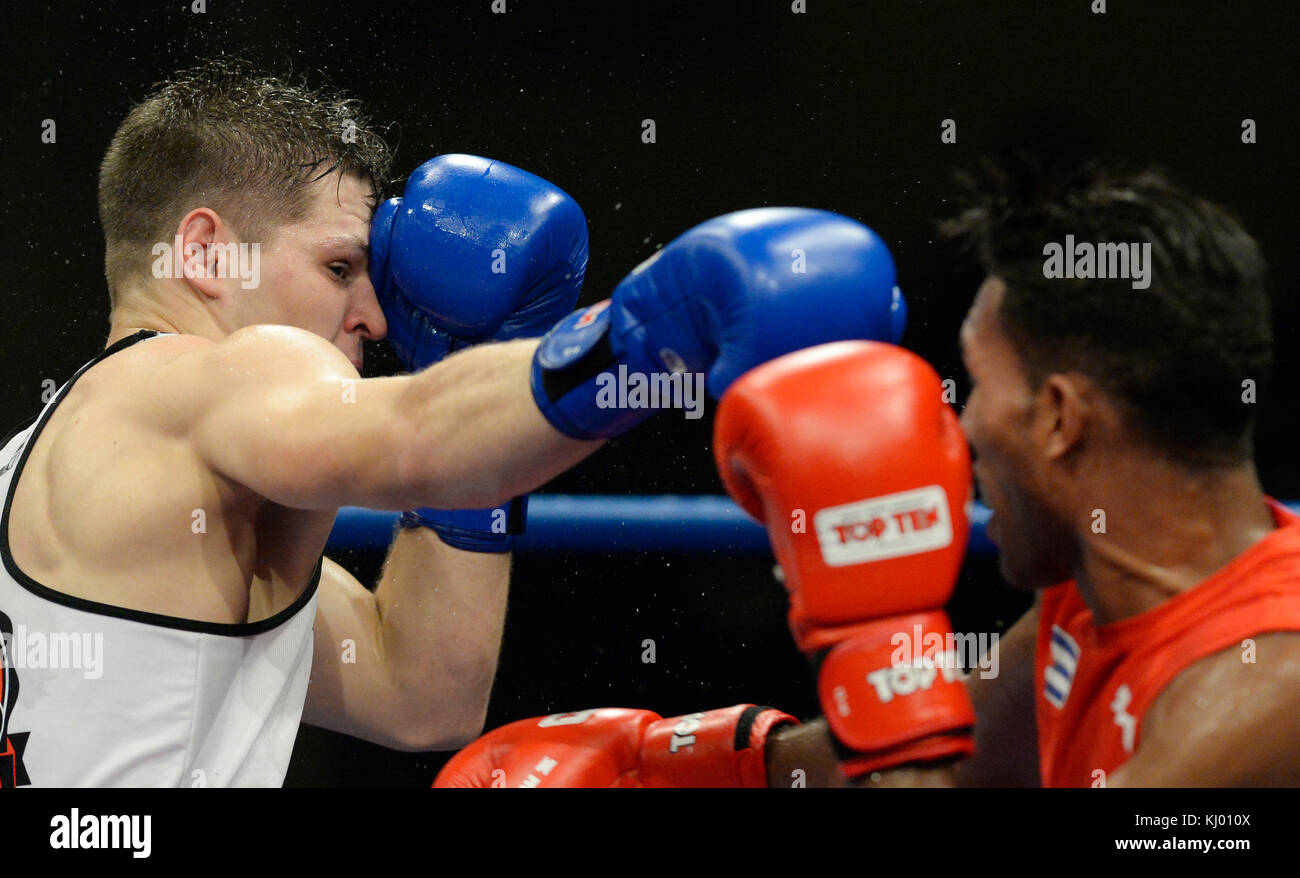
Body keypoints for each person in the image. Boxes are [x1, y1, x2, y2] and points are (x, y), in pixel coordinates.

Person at [0, 58, 904, 787]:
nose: (377, 317)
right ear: (204, 252)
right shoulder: (206, 377)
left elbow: (419, 696)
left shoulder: (69, 464)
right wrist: (646, 336)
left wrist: (470, 387)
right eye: (340, 265)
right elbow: (421, 439)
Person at [437, 160, 1300, 788]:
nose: (957, 428)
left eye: (976, 386)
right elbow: (961, 756)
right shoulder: (1099, 594)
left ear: (1061, 419)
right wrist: (669, 766)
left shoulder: (1266, 686)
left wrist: (873, 630)